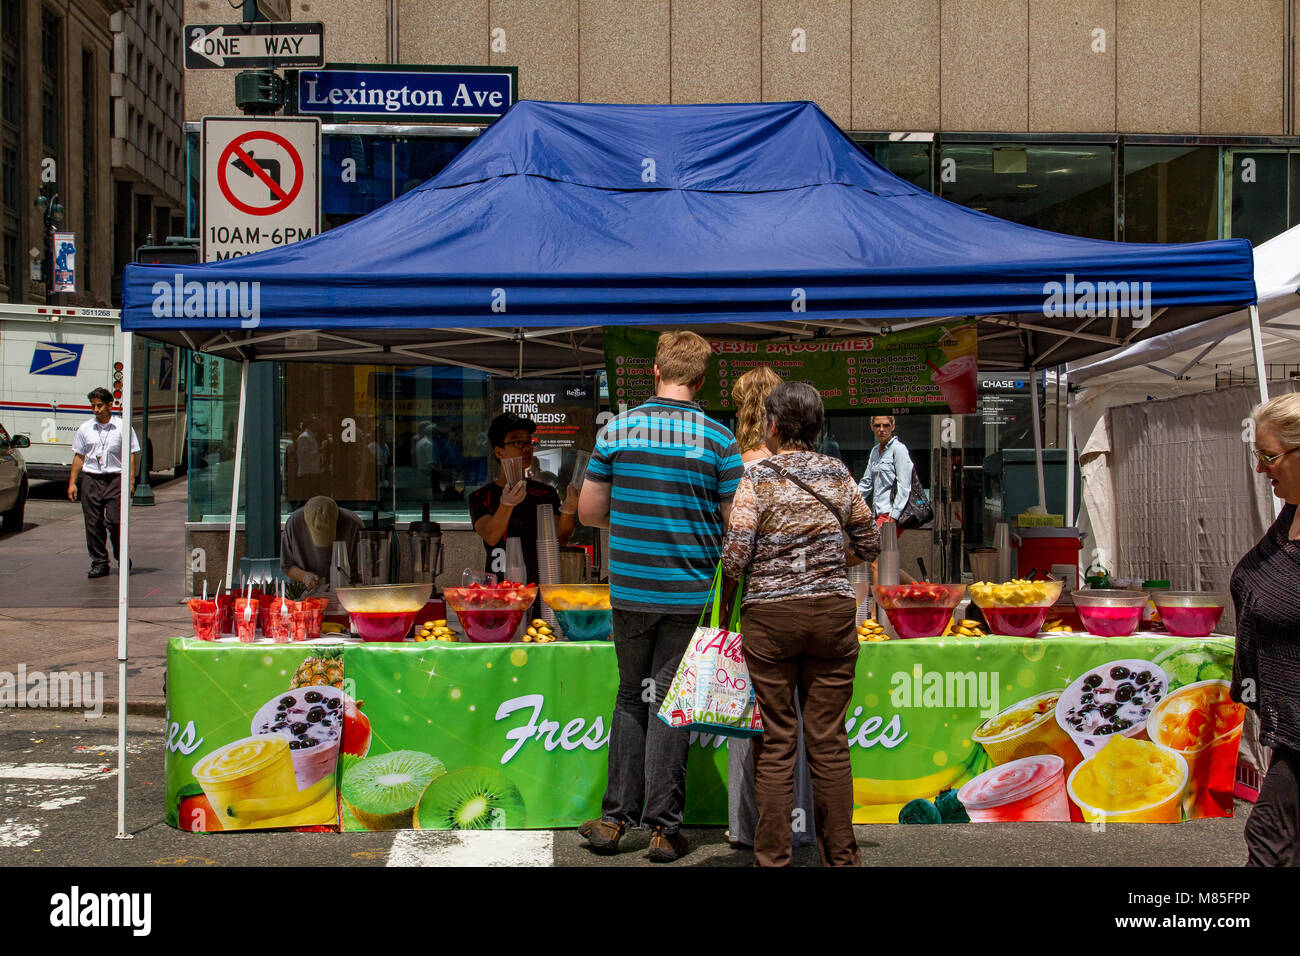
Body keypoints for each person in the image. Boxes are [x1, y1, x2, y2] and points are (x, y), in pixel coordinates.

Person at [577, 330, 744, 862]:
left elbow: (588, 514)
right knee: (672, 705)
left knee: (632, 696)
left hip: (630, 589)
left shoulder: (617, 430)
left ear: (655, 371)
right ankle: (664, 829)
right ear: (699, 380)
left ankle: (613, 820)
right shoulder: (720, 440)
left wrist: (631, 515)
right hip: (689, 594)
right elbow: (734, 524)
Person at [721, 381, 879, 867]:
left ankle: (772, 859)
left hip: (770, 620)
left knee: (777, 742)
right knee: (829, 741)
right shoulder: (838, 473)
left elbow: (735, 557)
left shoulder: (758, 475)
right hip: (833, 614)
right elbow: (870, 541)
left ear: (771, 425)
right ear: (817, 427)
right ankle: (843, 858)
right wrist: (827, 558)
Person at [725, 366, 819, 852]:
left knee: (752, 718)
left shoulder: (739, 465)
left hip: (755, 604)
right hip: (809, 605)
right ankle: (798, 825)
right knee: (798, 720)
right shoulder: (811, 467)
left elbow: (733, 551)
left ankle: (750, 827)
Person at [1231, 393, 1300, 866]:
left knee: (1270, 842)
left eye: (1269, 456)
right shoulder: (1292, 511)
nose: (1260, 469)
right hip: (1288, 722)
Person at [468, 413, 577, 590]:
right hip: (500, 589)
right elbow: (490, 535)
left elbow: (559, 539)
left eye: (529, 442)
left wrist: (569, 511)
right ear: (499, 451)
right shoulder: (481, 496)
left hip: (541, 586)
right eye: (517, 442)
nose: (526, 448)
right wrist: (507, 504)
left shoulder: (544, 493)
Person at [67, 387, 140, 578]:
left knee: (115, 521)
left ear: (110, 405)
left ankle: (120, 555)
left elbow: (130, 455)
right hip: (91, 479)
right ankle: (99, 562)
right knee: (93, 523)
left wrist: (131, 481)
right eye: (93, 406)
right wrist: (73, 482)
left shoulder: (123, 427)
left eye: (99, 405)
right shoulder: (85, 428)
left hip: (116, 479)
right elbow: (79, 456)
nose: (96, 410)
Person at [859, 413, 917, 584]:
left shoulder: (899, 449)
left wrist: (894, 517)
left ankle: (878, 610)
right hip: (878, 513)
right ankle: (920, 589)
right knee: (883, 561)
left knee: (876, 560)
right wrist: (848, 500)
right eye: (877, 426)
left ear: (893, 427)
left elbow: (905, 486)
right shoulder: (875, 451)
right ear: (872, 427)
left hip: (890, 514)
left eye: (885, 425)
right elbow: (866, 482)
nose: (881, 429)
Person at [282, 495, 363, 592]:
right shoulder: (294, 523)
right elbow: (286, 565)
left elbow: (363, 571)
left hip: (347, 592)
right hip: (304, 594)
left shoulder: (354, 525)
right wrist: (304, 576)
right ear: (306, 524)